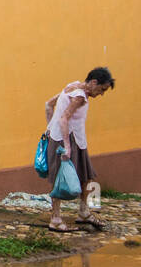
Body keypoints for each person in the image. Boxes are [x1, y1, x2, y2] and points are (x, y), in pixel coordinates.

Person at [44, 66, 115, 232]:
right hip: (67, 139)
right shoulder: (80, 97)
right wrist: (67, 147)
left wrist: (49, 128)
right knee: (59, 178)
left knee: (85, 176)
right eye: (102, 89)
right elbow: (63, 119)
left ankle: (83, 212)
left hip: (74, 139)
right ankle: (55, 218)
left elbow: (49, 104)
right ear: (94, 82)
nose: (101, 94)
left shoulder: (73, 86)